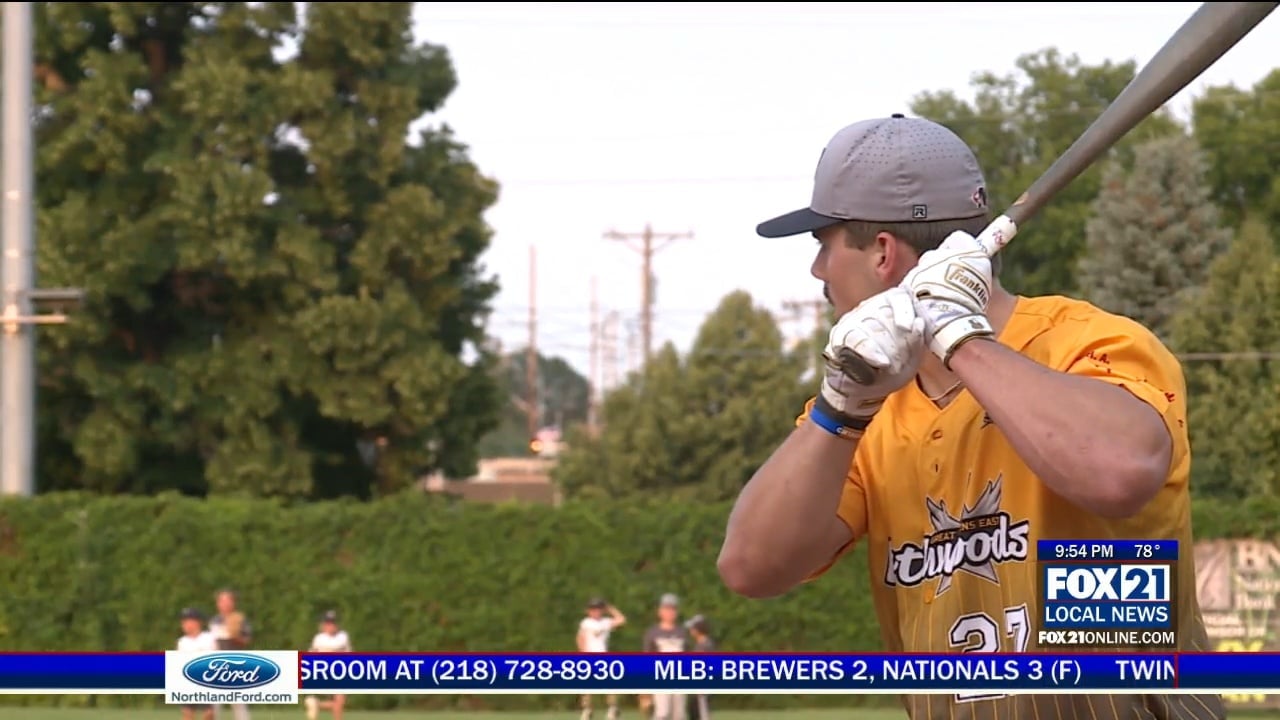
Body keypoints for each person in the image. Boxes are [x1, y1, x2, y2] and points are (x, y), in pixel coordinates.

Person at [716, 114, 1225, 720]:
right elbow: (752, 566)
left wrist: (959, 335)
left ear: (882, 253)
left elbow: (1118, 474)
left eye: (825, 245)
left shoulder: (1090, 341)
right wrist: (839, 408)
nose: (818, 272)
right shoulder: (864, 407)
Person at [642, 594, 692, 720]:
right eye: (667, 609)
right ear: (660, 611)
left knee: (679, 715)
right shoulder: (652, 633)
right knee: (662, 713)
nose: (670, 612)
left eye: (673, 609)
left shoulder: (682, 632)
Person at [577, 597, 627, 720]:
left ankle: (612, 708)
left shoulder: (606, 622)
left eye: (598, 609)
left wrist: (610, 609)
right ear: (588, 611)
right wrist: (582, 652)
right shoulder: (586, 623)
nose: (595, 612)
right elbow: (580, 638)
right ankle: (587, 710)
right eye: (593, 609)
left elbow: (622, 620)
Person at [208, 588, 253, 720]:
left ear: (233, 603)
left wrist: (234, 636)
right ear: (218, 604)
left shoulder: (239, 619)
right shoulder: (214, 621)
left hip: (235, 664)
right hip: (216, 665)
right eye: (222, 601)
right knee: (214, 703)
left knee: (238, 703)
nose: (225, 604)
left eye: (228, 600)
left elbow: (246, 640)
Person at [305, 610, 351, 720]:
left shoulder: (343, 636)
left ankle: (317, 704)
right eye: (328, 623)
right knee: (339, 702)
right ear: (324, 624)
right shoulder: (319, 638)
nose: (331, 625)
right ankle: (317, 704)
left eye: (333, 622)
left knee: (339, 703)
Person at [175, 607, 216, 720]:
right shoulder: (182, 642)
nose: (185, 625)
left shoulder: (208, 639)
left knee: (209, 713)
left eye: (188, 621)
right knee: (187, 713)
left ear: (197, 622)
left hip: (207, 681)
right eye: (183, 622)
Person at [683, 615, 714, 720]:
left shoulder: (705, 645)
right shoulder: (699, 644)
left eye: (692, 628)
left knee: (702, 714)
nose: (691, 630)